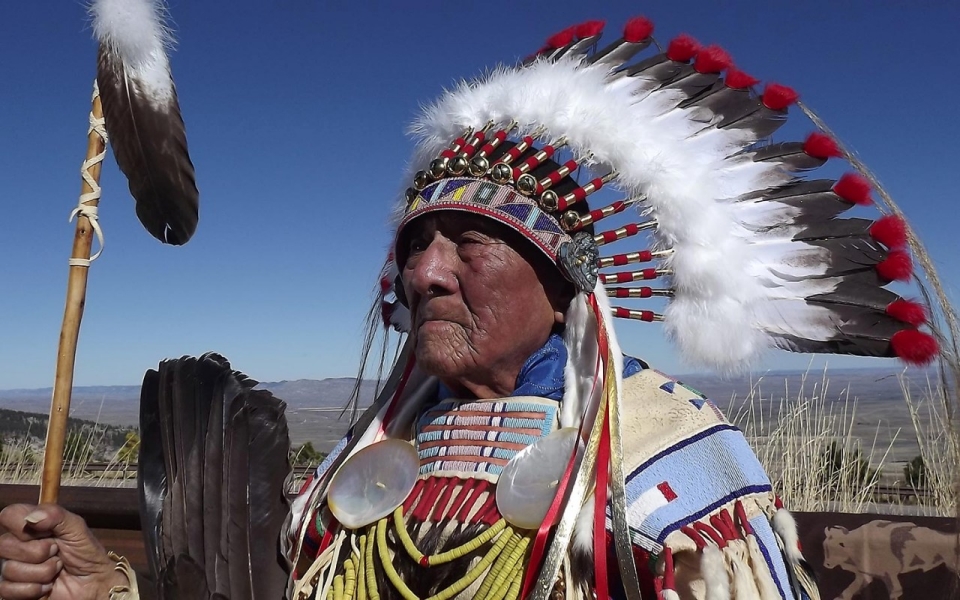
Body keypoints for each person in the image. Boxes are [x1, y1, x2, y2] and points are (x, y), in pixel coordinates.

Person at [1, 13, 942, 600]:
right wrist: (110, 586)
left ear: (564, 280)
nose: (427, 275)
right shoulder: (368, 456)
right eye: (415, 247)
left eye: (471, 245)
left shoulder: (669, 469)